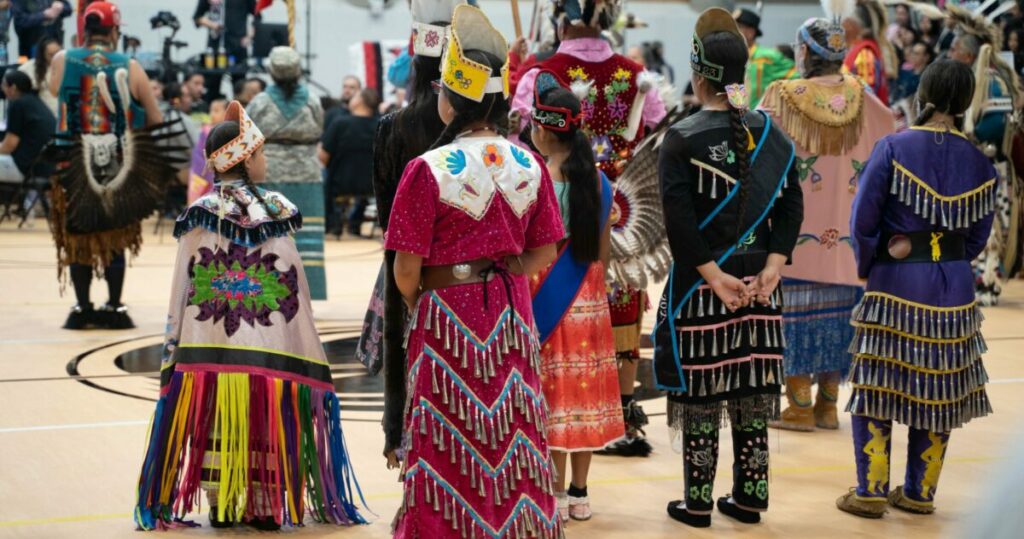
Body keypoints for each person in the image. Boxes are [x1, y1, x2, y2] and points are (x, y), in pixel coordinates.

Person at [132, 101, 366, 531]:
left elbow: (184, 286)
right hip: (269, 347)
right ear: (244, 159)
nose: (266, 160)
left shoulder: (199, 215)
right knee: (265, 422)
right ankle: (263, 505)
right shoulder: (277, 212)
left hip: (210, 346)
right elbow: (294, 286)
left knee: (218, 420)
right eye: (260, 153)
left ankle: (221, 504)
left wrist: (176, 341)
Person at [386, 5, 563, 537]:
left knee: (447, 432)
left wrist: (424, 303)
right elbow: (545, 252)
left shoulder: (427, 170)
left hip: (447, 319)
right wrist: (505, 271)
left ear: (451, 99)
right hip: (511, 313)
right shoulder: (528, 162)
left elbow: (405, 268)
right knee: (510, 426)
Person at [653, 7, 802, 528]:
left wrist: (714, 278)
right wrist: (774, 267)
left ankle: (697, 504)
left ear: (698, 75)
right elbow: (791, 206)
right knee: (751, 393)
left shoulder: (683, 137)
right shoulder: (772, 135)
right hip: (761, 290)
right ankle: (751, 498)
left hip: (705, 289)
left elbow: (679, 224)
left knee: (703, 396)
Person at [835, 59, 994, 519]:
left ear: (924, 96)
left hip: (897, 283)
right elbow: (978, 239)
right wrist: (953, 260)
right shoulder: (982, 163)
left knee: (878, 381)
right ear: (964, 103)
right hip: (955, 288)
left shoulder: (893, 148)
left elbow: (863, 218)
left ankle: (870, 489)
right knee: (938, 384)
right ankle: (920, 492)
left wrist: (871, 262)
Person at [512, 0, 667, 458]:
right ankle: (618, 414)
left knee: (552, 325)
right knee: (616, 312)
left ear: (561, 16)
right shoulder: (637, 75)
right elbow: (657, 138)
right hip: (620, 210)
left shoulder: (540, 75)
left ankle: (552, 416)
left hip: (553, 215)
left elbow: (520, 138)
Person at [759, 8, 895, 432]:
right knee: (840, 321)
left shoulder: (783, 96)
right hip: (851, 240)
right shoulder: (864, 100)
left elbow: (758, 153)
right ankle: (828, 406)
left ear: (804, 51)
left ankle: (798, 406)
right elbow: (890, 133)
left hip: (796, 237)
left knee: (797, 318)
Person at [367, 0, 461, 469]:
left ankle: (404, 446)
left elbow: (386, 214)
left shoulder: (393, 126)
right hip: (466, 269)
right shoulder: (483, 128)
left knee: (407, 357)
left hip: (406, 258)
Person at [528, 74, 622, 523]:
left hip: (543, 290)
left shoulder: (534, 180)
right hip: (587, 295)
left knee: (552, 393)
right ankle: (580, 493)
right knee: (582, 396)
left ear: (543, 131)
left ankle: (555, 494)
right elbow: (601, 252)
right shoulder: (600, 183)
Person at [47, 0, 170, 330]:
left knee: (77, 234)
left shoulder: (61, 59)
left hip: (71, 164)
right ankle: (115, 305)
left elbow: (54, 88)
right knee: (116, 233)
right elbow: (155, 118)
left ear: (85, 30)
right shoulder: (130, 66)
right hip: (118, 165)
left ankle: (82, 306)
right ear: (114, 30)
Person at [947, 5, 1024, 306]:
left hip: (989, 167)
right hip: (972, 167)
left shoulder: (990, 80)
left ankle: (985, 281)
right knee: (969, 225)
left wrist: (969, 137)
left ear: (967, 54)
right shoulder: (972, 78)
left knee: (988, 228)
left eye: (954, 48)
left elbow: (997, 124)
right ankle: (973, 281)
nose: (950, 53)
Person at [247, 46, 326, 300]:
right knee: (306, 235)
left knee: (272, 232)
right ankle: (306, 292)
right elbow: (319, 128)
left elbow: (248, 133)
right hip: (307, 173)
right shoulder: (313, 100)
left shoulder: (260, 102)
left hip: (269, 171)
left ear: (271, 71)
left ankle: (270, 288)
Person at [319, 87, 379, 238]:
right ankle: (355, 222)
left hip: (341, 182)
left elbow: (323, 156)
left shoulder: (340, 123)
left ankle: (333, 224)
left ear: (359, 101)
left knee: (325, 173)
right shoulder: (381, 124)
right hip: (373, 183)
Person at [0, 69, 55, 215]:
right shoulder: (35, 102)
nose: (2, 88)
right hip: (45, 167)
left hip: (27, 169)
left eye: (4, 85)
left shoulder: (17, 104)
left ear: (13, 88)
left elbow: (10, 144)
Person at [734, 6, 797, 108]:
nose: (733, 32)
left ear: (750, 32)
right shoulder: (733, 57)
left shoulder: (767, 56)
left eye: (738, 27)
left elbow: (798, 75)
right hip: (737, 117)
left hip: (761, 119)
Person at [842, 0, 897, 104]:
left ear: (855, 25)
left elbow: (865, 98)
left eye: (846, 20)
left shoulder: (865, 53)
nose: (842, 25)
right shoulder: (857, 49)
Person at [185, 97, 227, 204]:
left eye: (216, 111)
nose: (212, 114)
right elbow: (199, 151)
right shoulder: (206, 129)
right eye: (211, 111)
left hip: (219, 170)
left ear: (227, 113)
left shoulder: (228, 132)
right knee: (199, 199)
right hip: (201, 168)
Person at [17, 35, 59, 113]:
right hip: (41, 116)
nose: (55, 57)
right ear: (42, 55)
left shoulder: (66, 65)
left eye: (58, 53)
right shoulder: (28, 68)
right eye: (51, 55)